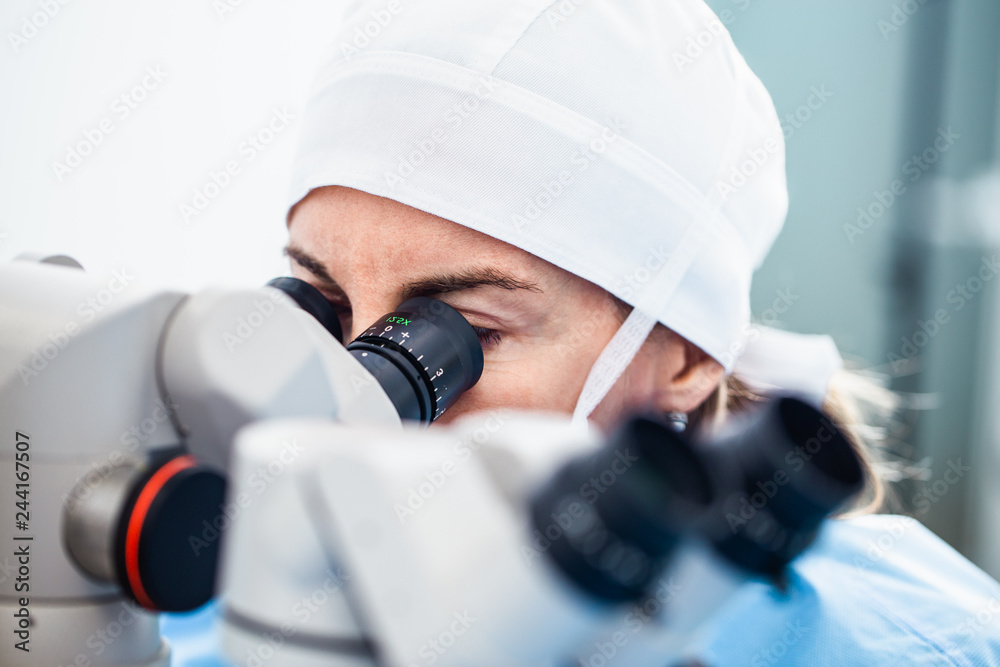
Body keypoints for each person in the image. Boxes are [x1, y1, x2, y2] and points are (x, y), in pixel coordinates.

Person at [163, 0, 1000, 664]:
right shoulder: (181, 610)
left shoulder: (921, 642)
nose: (352, 391)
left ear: (689, 355)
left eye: (456, 337)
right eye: (321, 306)